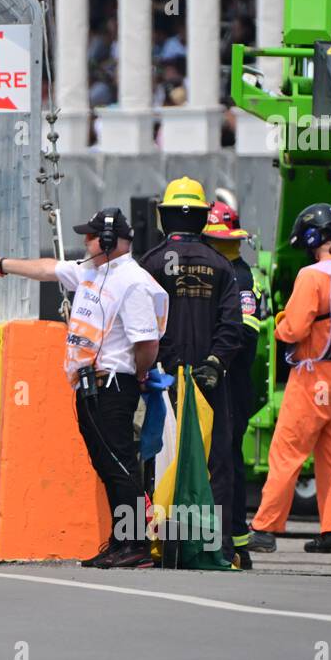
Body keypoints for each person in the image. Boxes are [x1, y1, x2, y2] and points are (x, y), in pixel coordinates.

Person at [0, 208, 168, 569]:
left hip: (114, 385)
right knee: (106, 464)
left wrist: (138, 375)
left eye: (91, 236)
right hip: (89, 387)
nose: (85, 241)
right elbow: (48, 268)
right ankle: (121, 542)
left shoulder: (133, 282)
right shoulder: (91, 271)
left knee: (120, 466)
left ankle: (135, 545)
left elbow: (147, 344)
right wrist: (3, 264)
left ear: (110, 241)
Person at [247, 203, 331, 553]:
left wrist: (281, 321)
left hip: (315, 373)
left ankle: (264, 528)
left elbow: (294, 329)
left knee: (287, 451)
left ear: (314, 239)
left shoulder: (312, 275)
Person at [139, 178, 244, 564]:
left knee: (158, 460)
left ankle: (156, 544)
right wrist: (215, 363)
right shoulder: (221, 266)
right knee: (215, 464)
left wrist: (155, 366)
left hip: (160, 382)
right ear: (203, 219)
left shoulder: (149, 264)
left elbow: (140, 323)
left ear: (163, 217)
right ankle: (218, 548)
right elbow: (232, 324)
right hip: (209, 383)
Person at [202, 201, 269, 569]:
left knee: (227, 460)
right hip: (229, 378)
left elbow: (243, 334)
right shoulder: (228, 271)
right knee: (227, 460)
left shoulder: (240, 277)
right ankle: (235, 541)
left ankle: (233, 543)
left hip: (233, 378)